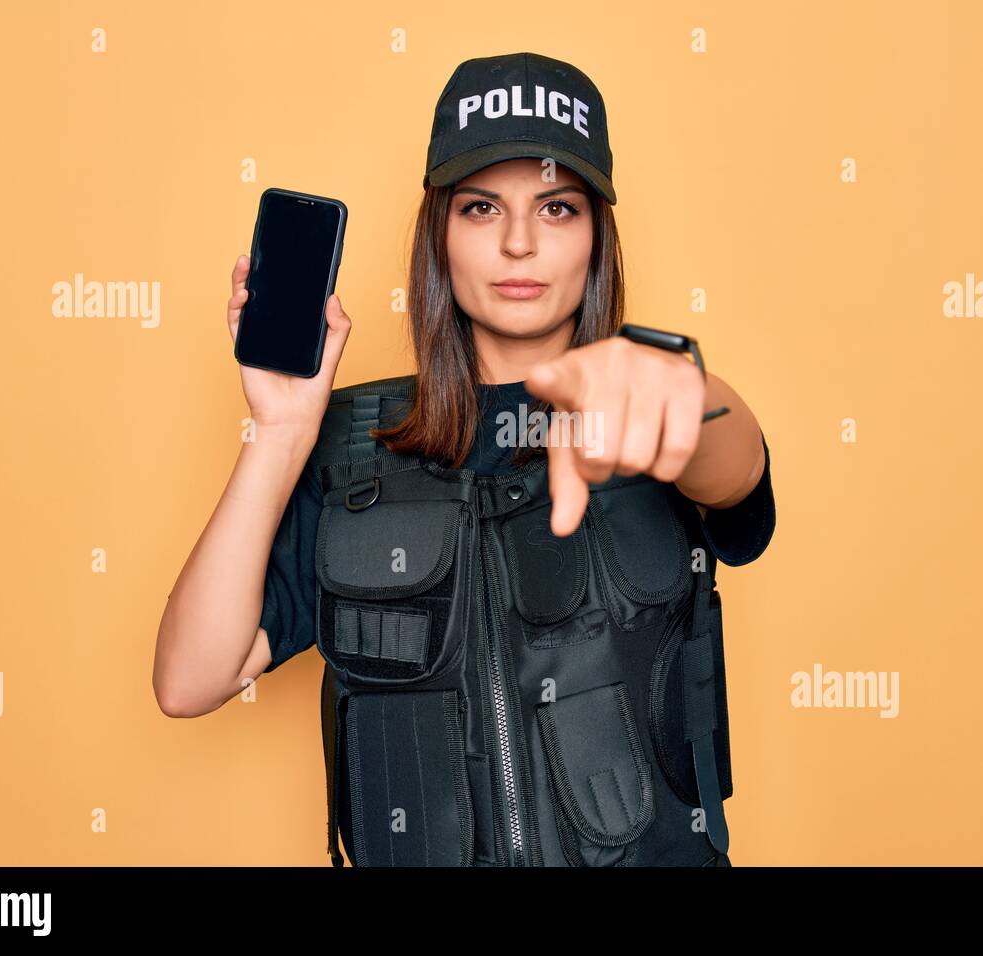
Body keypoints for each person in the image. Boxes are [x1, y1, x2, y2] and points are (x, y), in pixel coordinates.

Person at [154, 51, 776, 867]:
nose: (519, 243)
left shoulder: (649, 404)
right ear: (439, 236)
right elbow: (190, 681)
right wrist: (279, 432)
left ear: (596, 239)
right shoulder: (350, 447)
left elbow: (737, 474)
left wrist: (685, 395)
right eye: (483, 208)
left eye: (557, 208)